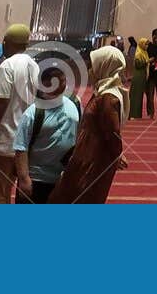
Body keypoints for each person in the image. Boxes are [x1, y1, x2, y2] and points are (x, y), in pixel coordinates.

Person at [50, 45, 128, 204]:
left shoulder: (108, 98)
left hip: (91, 162)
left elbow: (112, 133)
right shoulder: (104, 92)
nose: (90, 70)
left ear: (105, 66)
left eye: (93, 66)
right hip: (88, 157)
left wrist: (116, 153)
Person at [0, 25, 39, 203]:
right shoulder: (33, 66)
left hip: (1, 142)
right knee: (7, 192)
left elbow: (0, 103)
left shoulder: (7, 66)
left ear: (7, 42)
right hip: (22, 143)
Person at [12, 63, 80, 203]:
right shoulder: (32, 113)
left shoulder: (75, 104)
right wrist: (24, 179)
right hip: (36, 180)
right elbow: (20, 148)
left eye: (62, 82)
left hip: (63, 180)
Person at [128, 38, 147, 120]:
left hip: (142, 76)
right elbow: (138, 65)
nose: (147, 46)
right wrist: (147, 61)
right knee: (135, 96)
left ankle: (137, 114)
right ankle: (132, 114)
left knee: (139, 97)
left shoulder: (144, 53)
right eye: (145, 44)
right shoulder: (138, 53)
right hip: (138, 76)